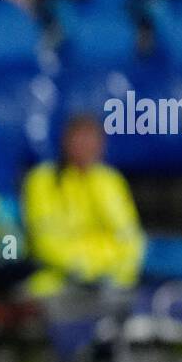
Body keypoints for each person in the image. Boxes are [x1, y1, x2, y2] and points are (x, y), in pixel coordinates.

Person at [22, 114, 144, 296]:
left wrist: (111, 273)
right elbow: (44, 242)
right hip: (57, 282)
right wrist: (85, 267)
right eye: (79, 139)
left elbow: (130, 239)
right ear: (65, 142)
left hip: (112, 283)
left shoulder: (110, 181)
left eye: (91, 139)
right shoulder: (41, 179)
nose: (85, 146)